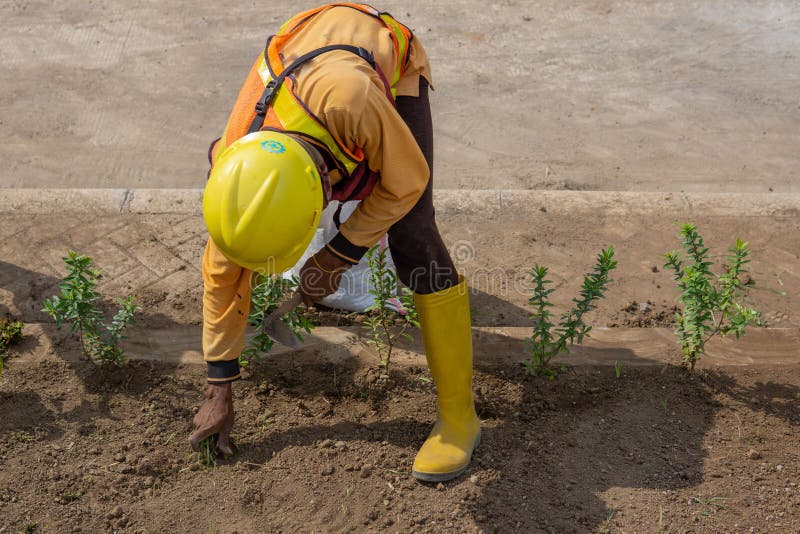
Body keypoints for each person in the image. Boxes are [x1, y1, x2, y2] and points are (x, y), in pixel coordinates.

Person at [188, 3, 480, 482]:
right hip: (305, 63)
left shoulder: (356, 100)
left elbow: (406, 182)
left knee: (412, 232)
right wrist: (218, 389)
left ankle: (460, 419)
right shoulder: (235, 164)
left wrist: (337, 254)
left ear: (328, 183)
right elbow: (224, 270)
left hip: (375, 63)